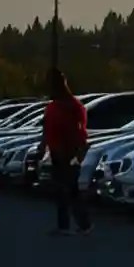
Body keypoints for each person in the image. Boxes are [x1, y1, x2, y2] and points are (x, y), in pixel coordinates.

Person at [39, 69, 91, 236]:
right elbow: (46, 129)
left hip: (69, 152)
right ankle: (66, 225)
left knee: (69, 189)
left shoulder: (74, 107)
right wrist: (43, 146)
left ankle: (81, 224)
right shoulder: (52, 107)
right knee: (62, 189)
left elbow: (80, 132)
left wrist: (79, 152)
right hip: (56, 151)